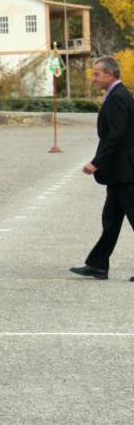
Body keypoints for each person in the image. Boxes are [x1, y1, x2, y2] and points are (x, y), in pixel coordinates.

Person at [70, 56, 134, 281]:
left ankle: (98, 263)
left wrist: (96, 162)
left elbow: (115, 136)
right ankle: (98, 264)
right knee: (111, 220)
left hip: (125, 172)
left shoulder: (118, 97)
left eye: (97, 74)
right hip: (119, 173)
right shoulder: (116, 94)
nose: (93, 78)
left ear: (110, 74)